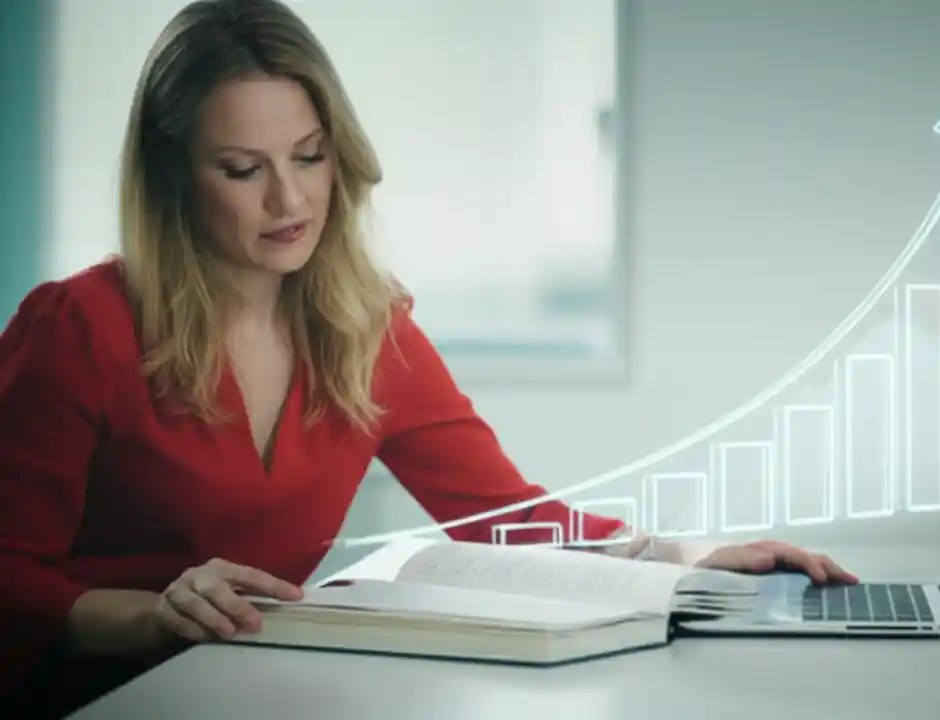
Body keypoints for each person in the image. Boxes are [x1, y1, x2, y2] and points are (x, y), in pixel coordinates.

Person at [0, 0, 856, 714]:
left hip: (250, 693)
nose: (289, 199)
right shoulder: (79, 326)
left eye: (309, 156)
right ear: (173, 175)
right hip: (83, 696)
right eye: (241, 169)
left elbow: (507, 516)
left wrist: (684, 558)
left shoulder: (368, 330)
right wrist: (154, 614)